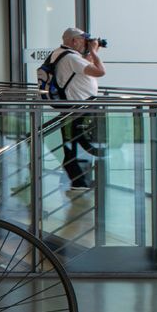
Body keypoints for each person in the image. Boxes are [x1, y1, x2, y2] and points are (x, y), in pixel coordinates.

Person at [53, 27, 107, 197]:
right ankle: (79, 181)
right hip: (78, 109)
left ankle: (80, 181)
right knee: (79, 145)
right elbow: (100, 71)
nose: (85, 43)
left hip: (73, 108)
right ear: (74, 41)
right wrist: (94, 52)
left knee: (74, 145)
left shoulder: (64, 54)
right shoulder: (70, 57)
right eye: (83, 40)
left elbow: (84, 65)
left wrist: (92, 51)